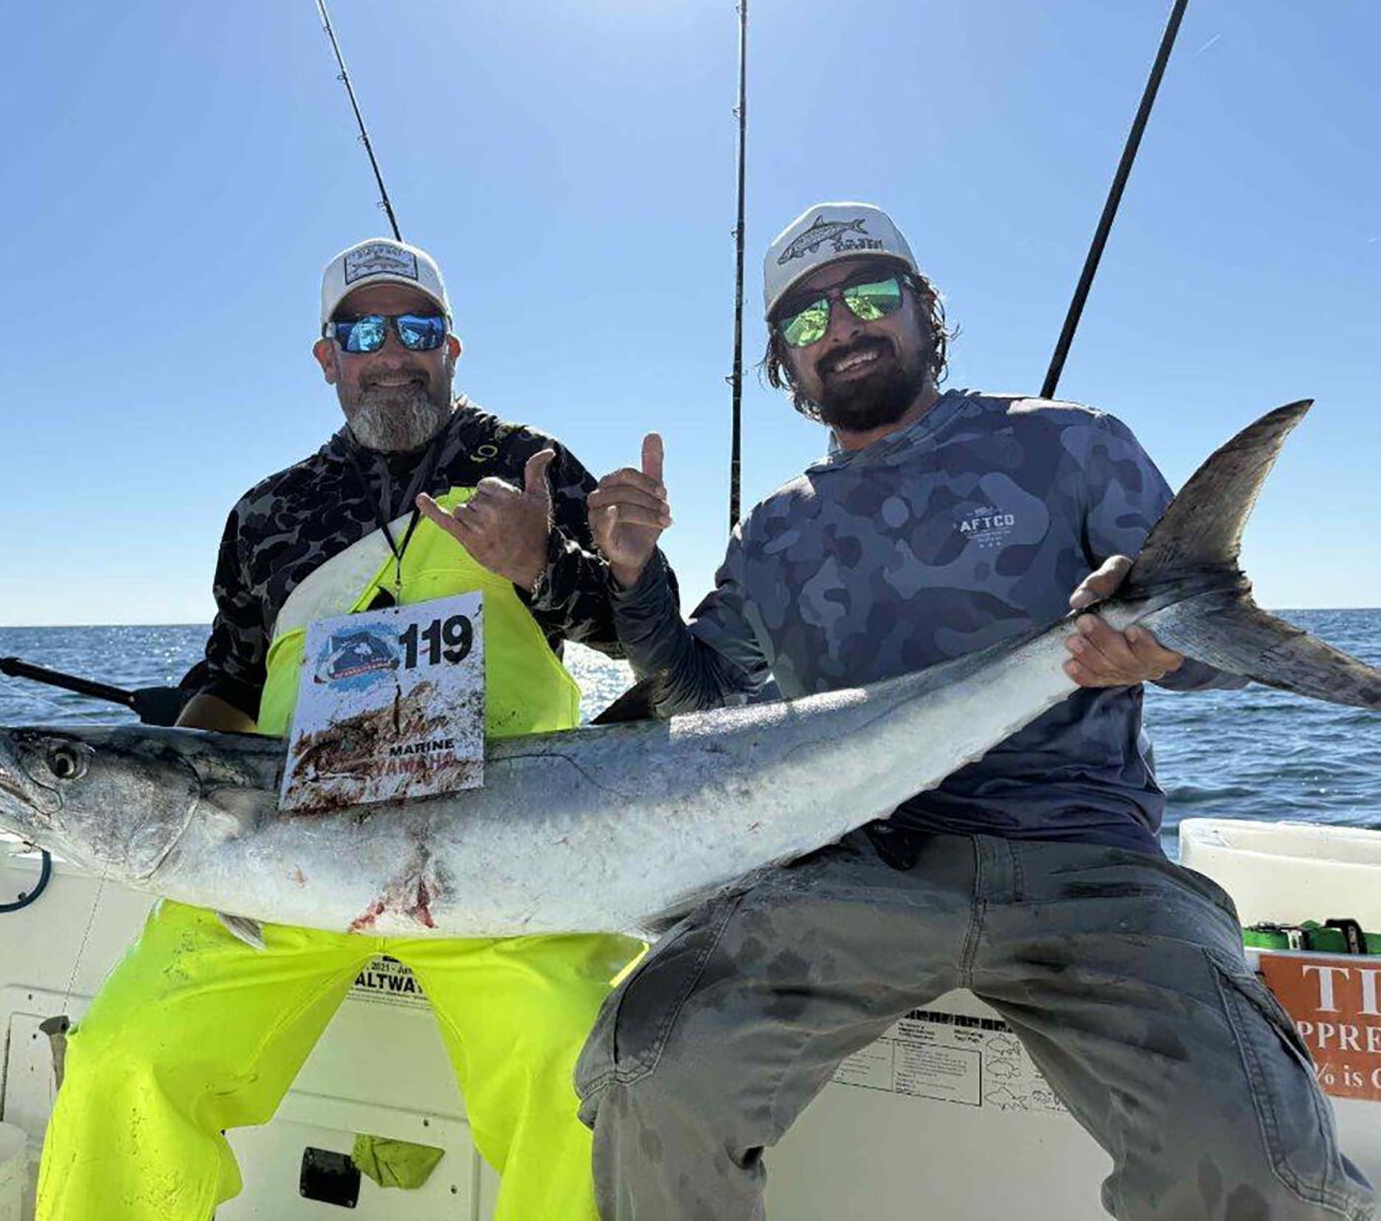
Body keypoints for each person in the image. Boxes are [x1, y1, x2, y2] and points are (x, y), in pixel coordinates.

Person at [570, 203, 1376, 1219]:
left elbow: (1201, 657)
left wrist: (1158, 643)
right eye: (807, 318)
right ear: (782, 360)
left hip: (1089, 862)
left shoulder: (1070, 444)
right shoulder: (776, 530)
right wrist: (636, 576)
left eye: (869, 295)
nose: (844, 327)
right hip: (858, 865)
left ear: (924, 308)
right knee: (647, 1067)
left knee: (1256, 1154)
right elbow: (703, 700)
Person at [34, 237, 662, 1221]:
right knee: (124, 1055)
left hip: (497, 854)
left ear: (451, 346)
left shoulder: (525, 465)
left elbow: (637, 636)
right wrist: (161, 820)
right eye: (363, 331)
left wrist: (547, 561)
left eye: (415, 328)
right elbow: (230, 677)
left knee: (579, 1067)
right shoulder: (269, 511)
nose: (392, 352)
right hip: (280, 854)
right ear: (328, 356)